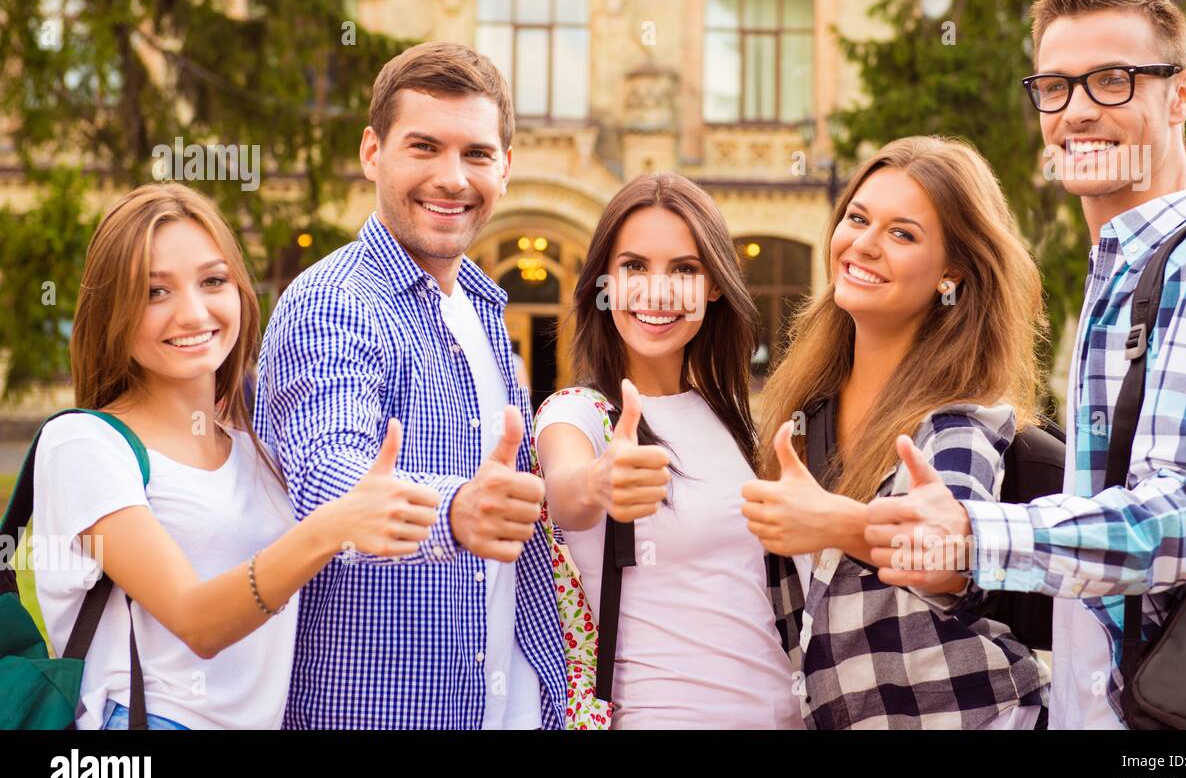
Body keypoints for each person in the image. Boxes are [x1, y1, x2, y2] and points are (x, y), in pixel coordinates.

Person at [861, 0, 1186, 728]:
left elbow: (1182, 519)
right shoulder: (1128, 273)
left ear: (1182, 93)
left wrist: (973, 531)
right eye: (1055, 88)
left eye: (1112, 81)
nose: (1077, 113)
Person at [32, 183, 441, 730]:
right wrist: (328, 529)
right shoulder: (85, 446)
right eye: (156, 292)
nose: (193, 312)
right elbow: (197, 622)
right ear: (113, 310)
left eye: (213, 281)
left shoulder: (255, 450)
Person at [254, 42, 566, 729]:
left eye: (477, 154)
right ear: (373, 152)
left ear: (506, 168)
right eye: (424, 147)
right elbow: (330, 477)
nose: (452, 177)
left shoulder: (482, 312)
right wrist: (456, 512)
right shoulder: (335, 303)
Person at [740, 136, 1050, 729]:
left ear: (950, 276)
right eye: (857, 218)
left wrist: (834, 522)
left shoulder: (960, 420)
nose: (864, 244)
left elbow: (952, 556)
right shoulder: (805, 412)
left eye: (902, 234)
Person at [533, 173, 805, 729]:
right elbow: (566, 493)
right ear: (605, 282)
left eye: (684, 269)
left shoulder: (733, 421)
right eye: (634, 266)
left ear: (713, 286)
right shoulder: (577, 414)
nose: (658, 292)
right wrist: (598, 483)